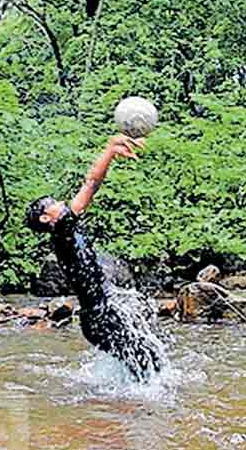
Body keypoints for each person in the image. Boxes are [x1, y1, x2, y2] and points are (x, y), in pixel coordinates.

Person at [25, 134, 165, 381]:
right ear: (47, 219)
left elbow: (90, 186)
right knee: (148, 371)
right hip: (100, 317)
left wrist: (111, 152)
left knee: (149, 365)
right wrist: (110, 149)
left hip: (101, 315)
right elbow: (90, 183)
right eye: (54, 203)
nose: (61, 202)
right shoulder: (62, 234)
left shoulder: (68, 229)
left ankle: (110, 411)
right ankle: (134, 414)